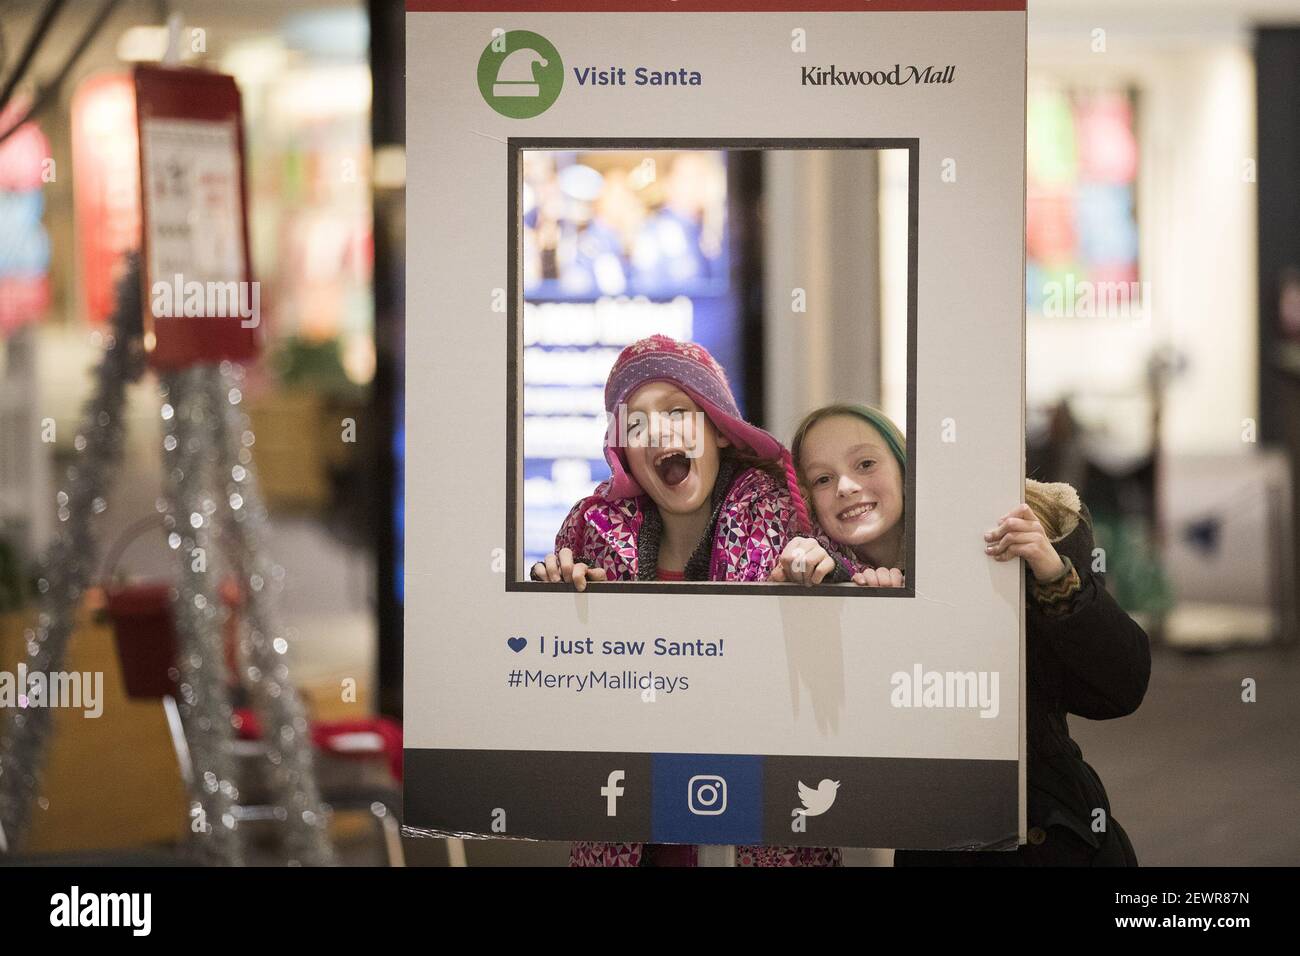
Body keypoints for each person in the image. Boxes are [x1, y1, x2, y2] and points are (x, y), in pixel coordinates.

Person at [772, 404, 1151, 865]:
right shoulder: (831, 581)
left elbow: (1119, 689)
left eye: (865, 463)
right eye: (823, 479)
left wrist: (1054, 575)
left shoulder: (998, 554)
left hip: (1056, 841)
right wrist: (815, 612)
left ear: (906, 467)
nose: (847, 486)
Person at [532, 334, 838, 867]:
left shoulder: (786, 523)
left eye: (678, 410)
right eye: (636, 423)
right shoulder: (588, 533)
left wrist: (817, 581)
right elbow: (556, 702)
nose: (658, 432)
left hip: (758, 830)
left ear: (718, 430)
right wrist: (557, 610)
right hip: (630, 833)